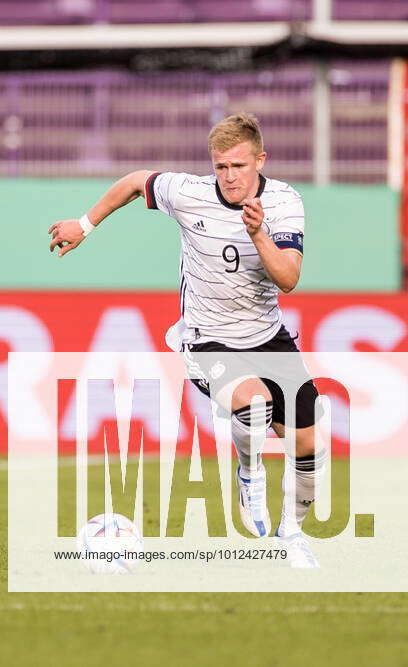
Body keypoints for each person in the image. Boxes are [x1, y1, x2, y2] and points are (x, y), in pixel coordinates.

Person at [48, 113, 322, 568]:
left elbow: (288, 278)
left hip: (267, 337)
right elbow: (134, 182)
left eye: (238, 166)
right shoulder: (188, 193)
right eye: (221, 167)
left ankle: (290, 535)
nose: (229, 177)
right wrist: (84, 224)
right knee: (253, 405)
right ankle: (250, 475)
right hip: (204, 338)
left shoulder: (284, 202)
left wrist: (258, 234)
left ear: (260, 160)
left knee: (310, 445)